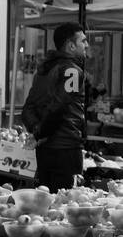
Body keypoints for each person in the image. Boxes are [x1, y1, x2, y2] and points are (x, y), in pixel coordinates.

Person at [23, 22, 89, 192]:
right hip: (66, 148)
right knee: (65, 205)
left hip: (44, 151)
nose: (86, 45)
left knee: (44, 203)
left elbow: (28, 109)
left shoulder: (44, 69)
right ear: (71, 45)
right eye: (83, 41)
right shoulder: (72, 71)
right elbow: (62, 107)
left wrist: (37, 132)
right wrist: (39, 133)